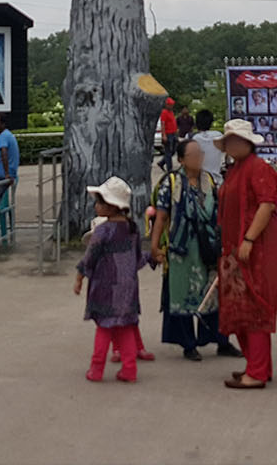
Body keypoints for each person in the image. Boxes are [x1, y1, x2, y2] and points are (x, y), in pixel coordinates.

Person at [149, 138, 237, 361]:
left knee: (213, 293)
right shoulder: (170, 182)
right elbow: (161, 216)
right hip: (182, 248)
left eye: (200, 154)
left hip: (208, 245)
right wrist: (154, 245)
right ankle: (188, 343)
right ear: (181, 160)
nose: (199, 159)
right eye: (193, 155)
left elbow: (219, 212)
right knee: (182, 293)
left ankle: (221, 340)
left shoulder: (208, 180)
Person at [215, 118, 277, 390]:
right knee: (239, 308)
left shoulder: (259, 168)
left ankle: (257, 371)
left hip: (255, 248)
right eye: (227, 141)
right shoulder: (236, 169)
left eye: (234, 140)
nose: (230, 145)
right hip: (234, 248)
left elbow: (267, 204)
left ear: (247, 143)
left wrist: (250, 238)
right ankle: (257, 366)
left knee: (255, 308)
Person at [75, 177, 146, 383]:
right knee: (125, 328)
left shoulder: (102, 231)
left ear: (112, 206)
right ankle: (129, 370)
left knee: (104, 328)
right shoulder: (133, 230)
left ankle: (96, 370)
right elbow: (138, 258)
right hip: (128, 287)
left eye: (99, 202)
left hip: (105, 287)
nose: (96, 206)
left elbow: (90, 258)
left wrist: (79, 277)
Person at [192, 109, 225, 180]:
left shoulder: (195, 139)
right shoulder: (218, 135)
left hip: (202, 180)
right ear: (211, 122)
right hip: (217, 179)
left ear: (197, 123)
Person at [157, 98, 178, 175]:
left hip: (173, 133)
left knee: (173, 151)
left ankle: (162, 162)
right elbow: (163, 124)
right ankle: (170, 169)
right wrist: (164, 135)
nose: (172, 106)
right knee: (168, 151)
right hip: (168, 134)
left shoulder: (171, 112)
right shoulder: (164, 113)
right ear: (167, 105)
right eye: (170, 105)